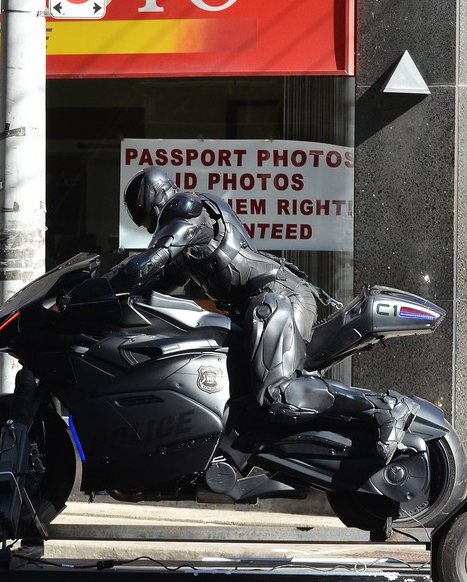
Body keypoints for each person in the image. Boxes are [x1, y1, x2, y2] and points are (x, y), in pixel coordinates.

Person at [105, 167, 413, 463]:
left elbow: (148, 262)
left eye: (145, 216)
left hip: (276, 300)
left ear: (153, 197)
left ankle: (384, 407)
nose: (147, 226)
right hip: (263, 304)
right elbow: (160, 282)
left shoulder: (186, 209)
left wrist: (98, 286)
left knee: (280, 393)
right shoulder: (190, 235)